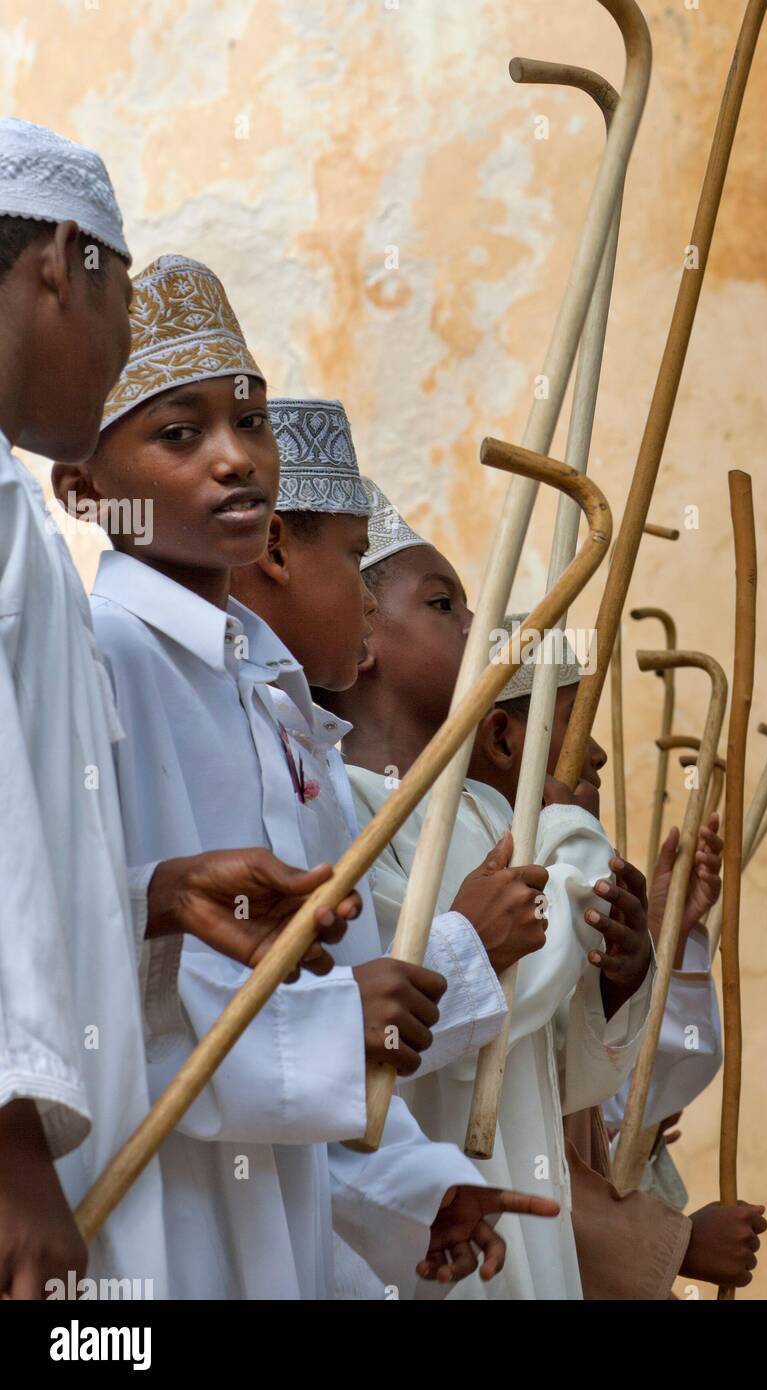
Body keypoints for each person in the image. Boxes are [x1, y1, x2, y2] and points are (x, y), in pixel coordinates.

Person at [0, 119, 348, 1301]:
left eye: (250, 423)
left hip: (215, 1174)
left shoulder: (256, 671)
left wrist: (153, 900)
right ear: (60, 261)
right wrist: (10, 1144)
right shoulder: (98, 625)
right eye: (180, 429)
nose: (240, 461)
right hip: (102, 1164)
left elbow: (56, 884)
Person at [233, 396, 563, 1295]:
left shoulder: (472, 811)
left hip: (410, 1190)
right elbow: (305, 1004)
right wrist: (469, 946)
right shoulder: (324, 784)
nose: (472, 628)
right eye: (444, 604)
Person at [321, 492, 658, 1299]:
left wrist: (616, 973)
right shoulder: (336, 806)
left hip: (523, 1205)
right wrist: (571, 835)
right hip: (419, 1212)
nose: (478, 632)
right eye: (444, 607)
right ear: (363, 634)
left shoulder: (490, 813)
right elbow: (430, 988)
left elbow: (553, 1065)